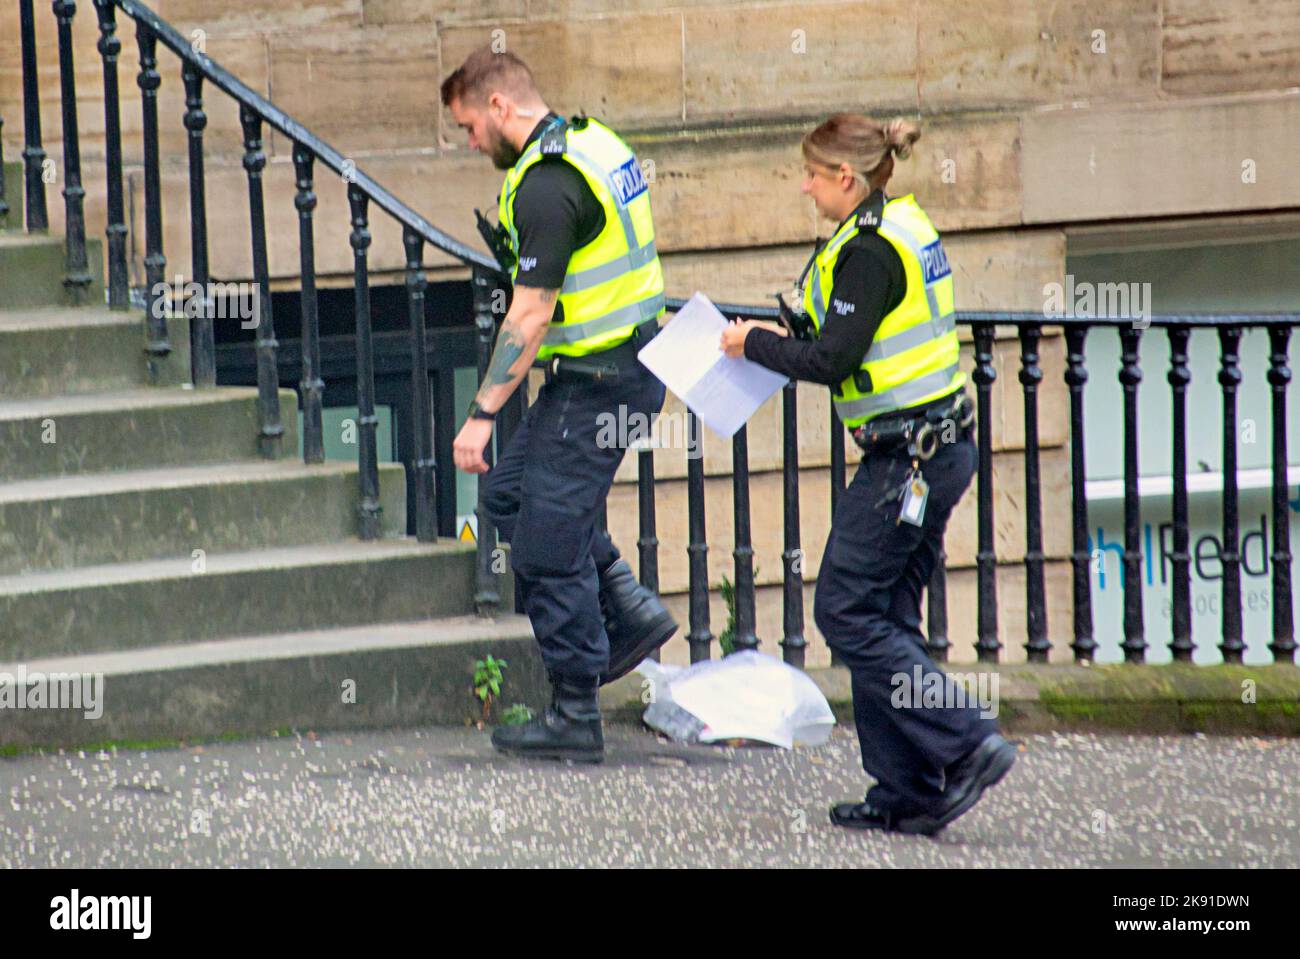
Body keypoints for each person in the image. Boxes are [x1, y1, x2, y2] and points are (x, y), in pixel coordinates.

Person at [720, 114, 1016, 834]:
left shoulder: (871, 250)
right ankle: (907, 790)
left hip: (909, 460)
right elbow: (853, 338)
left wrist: (751, 342)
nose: (805, 185)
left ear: (845, 178)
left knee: (845, 609)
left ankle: (966, 736)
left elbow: (832, 362)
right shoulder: (897, 226)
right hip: (933, 450)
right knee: (882, 616)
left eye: (813, 174)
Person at [442, 47, 678, 764]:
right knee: (509, 500)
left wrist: (481, 412)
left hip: (602, 381)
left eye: (469, 128)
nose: (470, 143)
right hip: (603, 374)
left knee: (545, 544)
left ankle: (575, 712)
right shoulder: (592, 140)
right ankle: (630, 611)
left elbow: (530, 314)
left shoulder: (546, 183)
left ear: (498, 107)